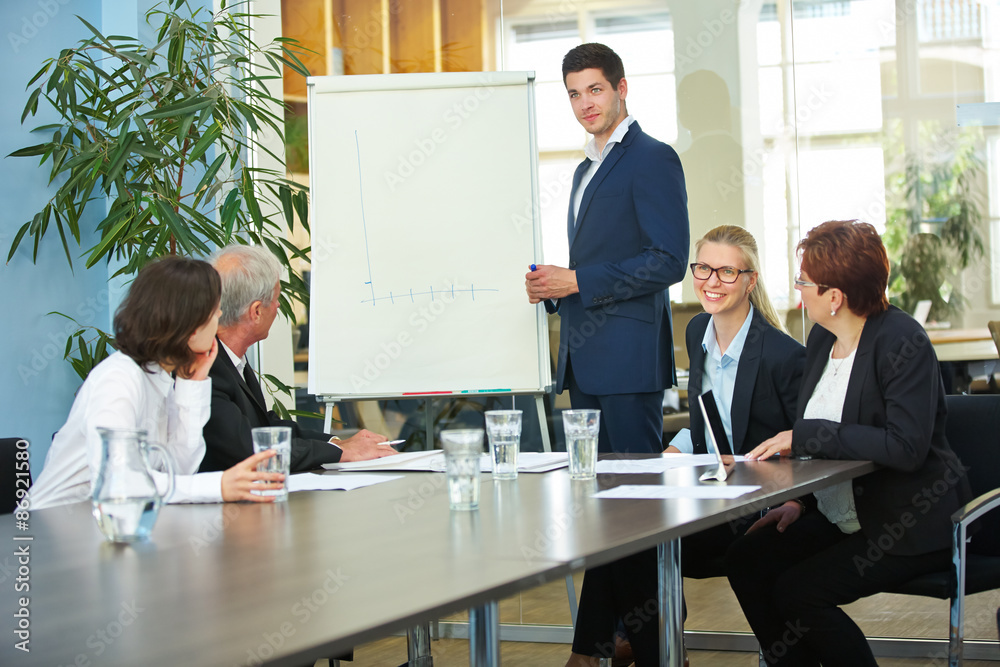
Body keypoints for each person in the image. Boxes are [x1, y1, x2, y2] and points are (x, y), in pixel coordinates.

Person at [725, 220, 970, 666]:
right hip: (842, 513)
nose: (799, 291)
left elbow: (905, 446)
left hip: (902, 524)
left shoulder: (903, 340)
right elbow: (833, 442)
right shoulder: (822, 338)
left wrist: (807, 436)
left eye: (804, 282)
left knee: (799, 592)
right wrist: (802, 502)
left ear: (833, 296)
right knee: (747, 558)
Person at [576, 226, 806, 666]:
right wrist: (669, 456)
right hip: (709, 490)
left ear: (750, 280)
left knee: (637, 538)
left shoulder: (783, 355)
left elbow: (804, 444)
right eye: (703, 268)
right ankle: (610, 652)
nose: (711, 281)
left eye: (725, 271)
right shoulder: (697, 331)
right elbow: (706, 421)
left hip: (756, 503)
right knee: (618, 524)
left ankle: (635, 652)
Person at [525, 42, 689, 457]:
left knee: (639, 501)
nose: (585, 104)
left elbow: (668, 261)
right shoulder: (585, 168)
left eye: (595, 90)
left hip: (629, 363)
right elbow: (594, 259)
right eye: (574, 94)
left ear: (622, 88)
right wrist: (554, 287)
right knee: (594, 499)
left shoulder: (653, 158)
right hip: (584, 361)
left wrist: (576, 280)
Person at [29, 256, 283, 511]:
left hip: (109, 525)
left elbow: (181, 469)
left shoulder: (162, 377)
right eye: (214, 311)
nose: (219, 316)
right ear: (190, 324)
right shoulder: (118, 379)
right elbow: (119, 481)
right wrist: (219, 485)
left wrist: (192, 383)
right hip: (50, 530)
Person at [200, 244, 397, 474]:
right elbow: (249, 448)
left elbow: (265, 426)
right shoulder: (205, 368)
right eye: (276, 299)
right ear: (256, 312)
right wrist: (344, 453)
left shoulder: (230, 358)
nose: (277, 307)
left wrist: (336, 443)